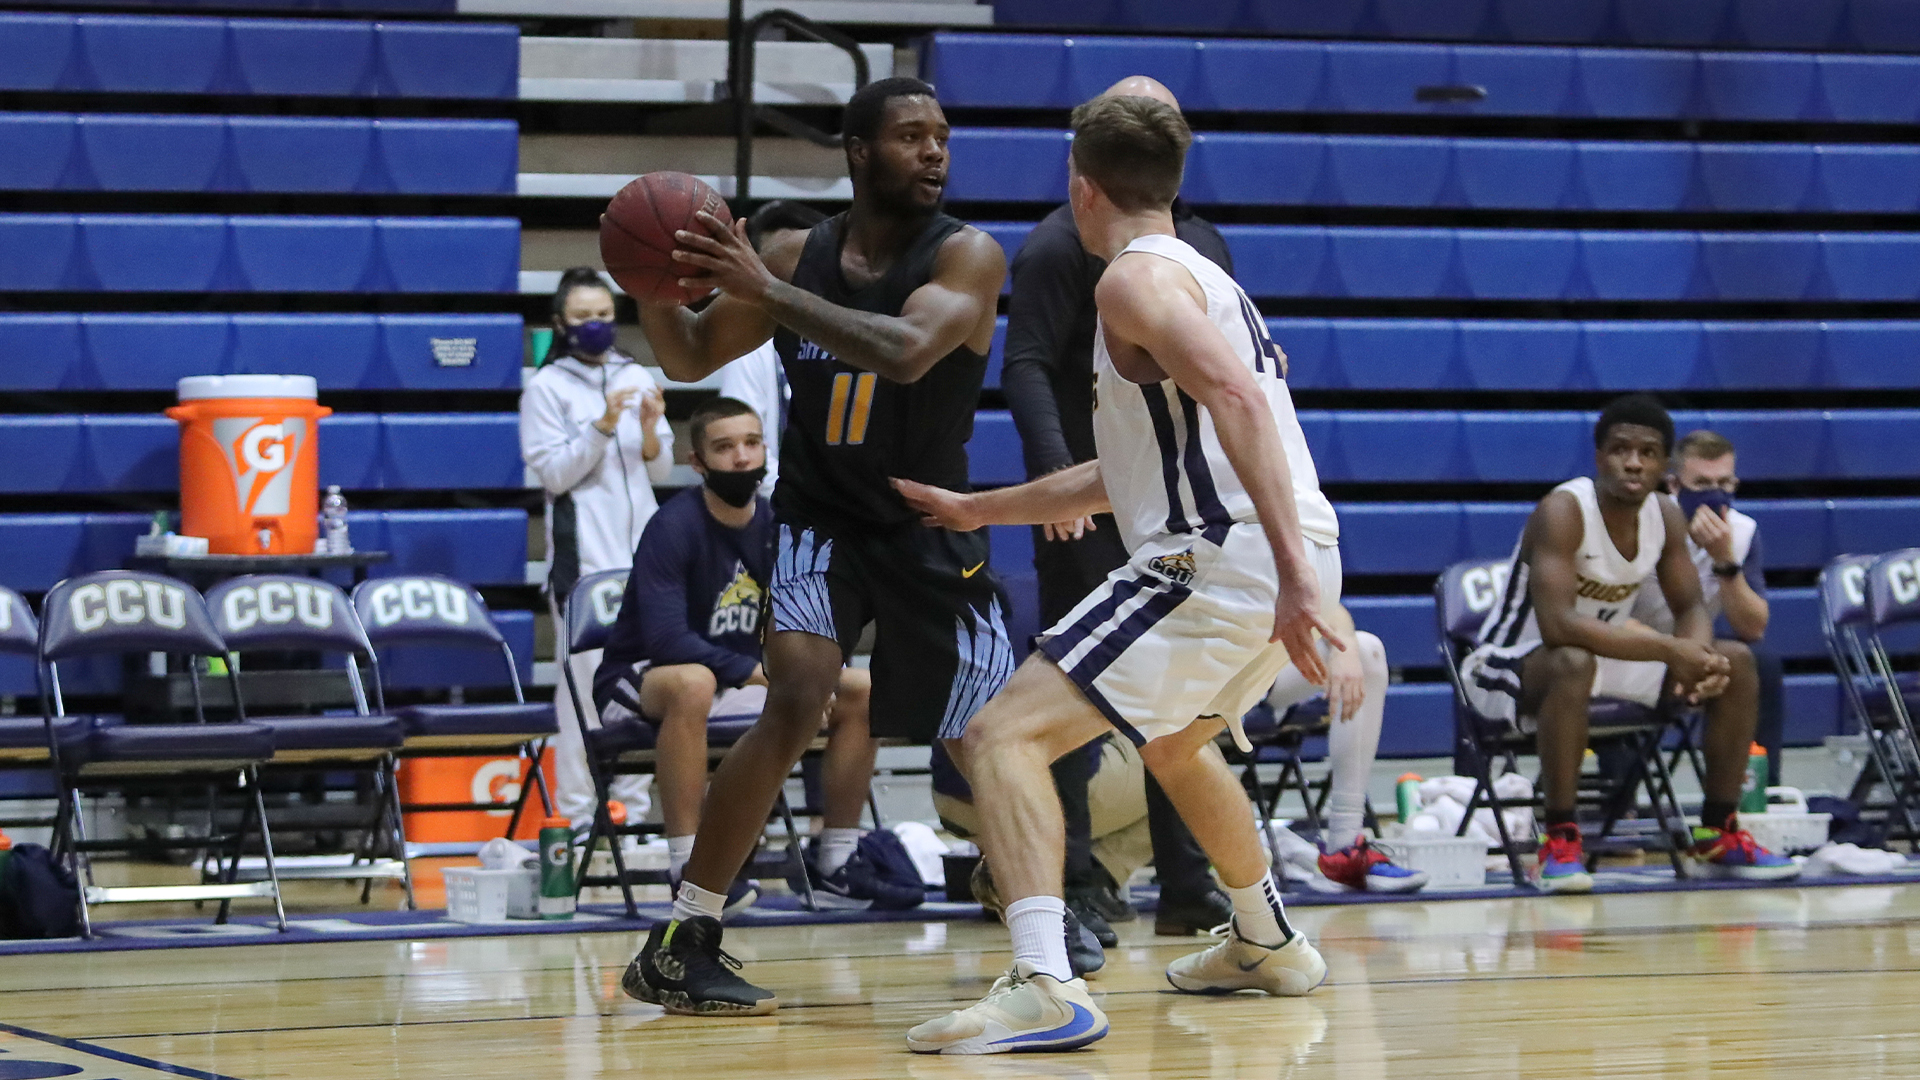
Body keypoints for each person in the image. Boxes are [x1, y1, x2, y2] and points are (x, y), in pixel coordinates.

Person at [897, 93, 1339, 1055]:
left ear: (1080, 185)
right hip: (1272, 550)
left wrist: (1292, 578)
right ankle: (1266, 940)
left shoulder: (1129, 283)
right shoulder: (1204, 276)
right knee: (1177, 744)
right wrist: (984, 509)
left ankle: (1044, 981)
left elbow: (1232, 399)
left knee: (999, 737)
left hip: (1223, 558)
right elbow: (1131, 469)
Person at [619, 76, 1010, 1017]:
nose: (933, 152)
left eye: (942, 137)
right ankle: (685, 935)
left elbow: (905, 350)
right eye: (911, 136)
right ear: (858, 151)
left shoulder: (969, 255)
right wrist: (653, 284)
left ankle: (1035, 899)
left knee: (986, 729)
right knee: (795, 698)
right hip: (820, 520)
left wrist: (765, 287)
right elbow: (688, 357)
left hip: (925, 521)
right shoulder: (799, 252)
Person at [1000, 75, 1236, 941]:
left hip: (1183, 515)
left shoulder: (1199, 244)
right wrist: (1056, 474)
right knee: (1064, 697)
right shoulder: (1057, 249)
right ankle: (1074, 880)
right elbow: (1024, 365)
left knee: (1181, 704)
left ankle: (1188, 883)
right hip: (1092, 502)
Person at [1458, 396, 1798, 894]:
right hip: (1506, 668)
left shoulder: (1664, 514)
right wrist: (1669, 652)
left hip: (1598, 661)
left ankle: (1716, 833)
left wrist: (1697, 659)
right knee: (1571, 661)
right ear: (1599, 457)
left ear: (1664, 465)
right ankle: (1561, 839)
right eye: (1620, 450)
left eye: (1647, 452)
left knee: (1739, 663)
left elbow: (1691, 608)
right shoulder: (1563, 510)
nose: (1634, 462)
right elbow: (1558, 627)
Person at [592, 397, 876, 915]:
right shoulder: (672, 526)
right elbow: (665, 641)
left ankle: (836, 860)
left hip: (741, 683)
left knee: (857, 687)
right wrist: (761, 676)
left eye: (751, 443)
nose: (742, 457)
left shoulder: (778, 526)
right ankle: (686, 864)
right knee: (693, 681)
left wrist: (809, 677)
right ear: (697, 462)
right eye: (724, 448)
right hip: (641, 681)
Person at [520, 267, 673, 829]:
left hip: (645, 559)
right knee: (582, 693)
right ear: (561, 323)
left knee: (645, 687)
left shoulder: (634, 373)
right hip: (583, 565)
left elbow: (659, 466)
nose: (595, 326)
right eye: (583, 317)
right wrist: (604, 424)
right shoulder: (546, 388)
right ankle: (580, 815)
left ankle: (629, 817)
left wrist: (652, 428)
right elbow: (555, 474)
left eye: (604, 316)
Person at [1629, 430, 1784, 782]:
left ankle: (1754, 791)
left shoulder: (1742, 532)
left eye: (1724, 483)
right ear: (1673, 485)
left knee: (1760, 663)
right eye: (1701, 483)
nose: (1715, 495)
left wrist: (1725, 562)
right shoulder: (1638, 526)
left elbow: (1753, 628)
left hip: (1694, 646)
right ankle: (1619, 801)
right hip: (1630, 644)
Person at [1266, 603, 1426, 893]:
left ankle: (1344, 848)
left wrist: (1346, 646)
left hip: (1261, 675)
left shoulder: (1279, 556)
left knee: (1366, 650)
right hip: (1201, 676)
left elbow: (1327, 606)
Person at [715, 201, 830, 499]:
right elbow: (744, 456)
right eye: (775, 264)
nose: (789, 271)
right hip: (790, 512)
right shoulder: (752, 347)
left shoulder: (863, 328)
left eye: (800, 257)